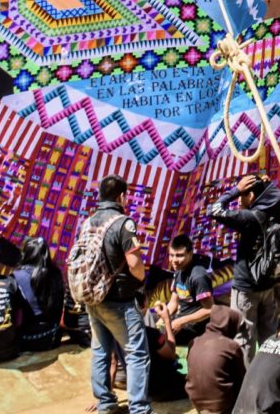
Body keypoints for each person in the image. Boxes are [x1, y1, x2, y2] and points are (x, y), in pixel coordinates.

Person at [73, 175, 150, 414]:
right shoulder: (123, 224)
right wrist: (141, 280)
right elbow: (135, 264)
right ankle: (139, 409)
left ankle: (105, 402)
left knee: (100, 350)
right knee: (136, 354)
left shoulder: (88, 222)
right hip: (119, 301)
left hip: (93, 298)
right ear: (122, 197)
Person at [213, 173, 280, 354]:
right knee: (270, 336)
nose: (238, 200)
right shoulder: (273, 210)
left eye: (242, 196)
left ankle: (246, 373)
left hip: (246, 289)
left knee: (244, 339)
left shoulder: (249, 218)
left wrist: (235, 190)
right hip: (267, 285)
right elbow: (278, 195)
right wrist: (266, 185)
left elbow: (214, 210)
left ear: (251, 196)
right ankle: (272, 369)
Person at [186, 303, 247, 414]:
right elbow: (241, 379)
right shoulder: (231, 346)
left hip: (195, 400)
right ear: (230, 325)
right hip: (220, 404)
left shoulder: (194, 342)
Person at [160, 233, 214, 352]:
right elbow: (173, 302)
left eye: (179, 255)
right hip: (179, 320)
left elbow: (209, 310)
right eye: (171, 255)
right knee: (150, 328)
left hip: (195, 328)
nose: (174, 260)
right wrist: (164, 317)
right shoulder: (179, 270)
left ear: (190, 254)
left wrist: (181, 322)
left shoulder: (198, 276)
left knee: (157, 340)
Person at [14, 236, 65, 351]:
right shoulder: (57, 274)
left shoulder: (16, 277)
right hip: (52, 337)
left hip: (25, 340)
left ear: (25, 254)